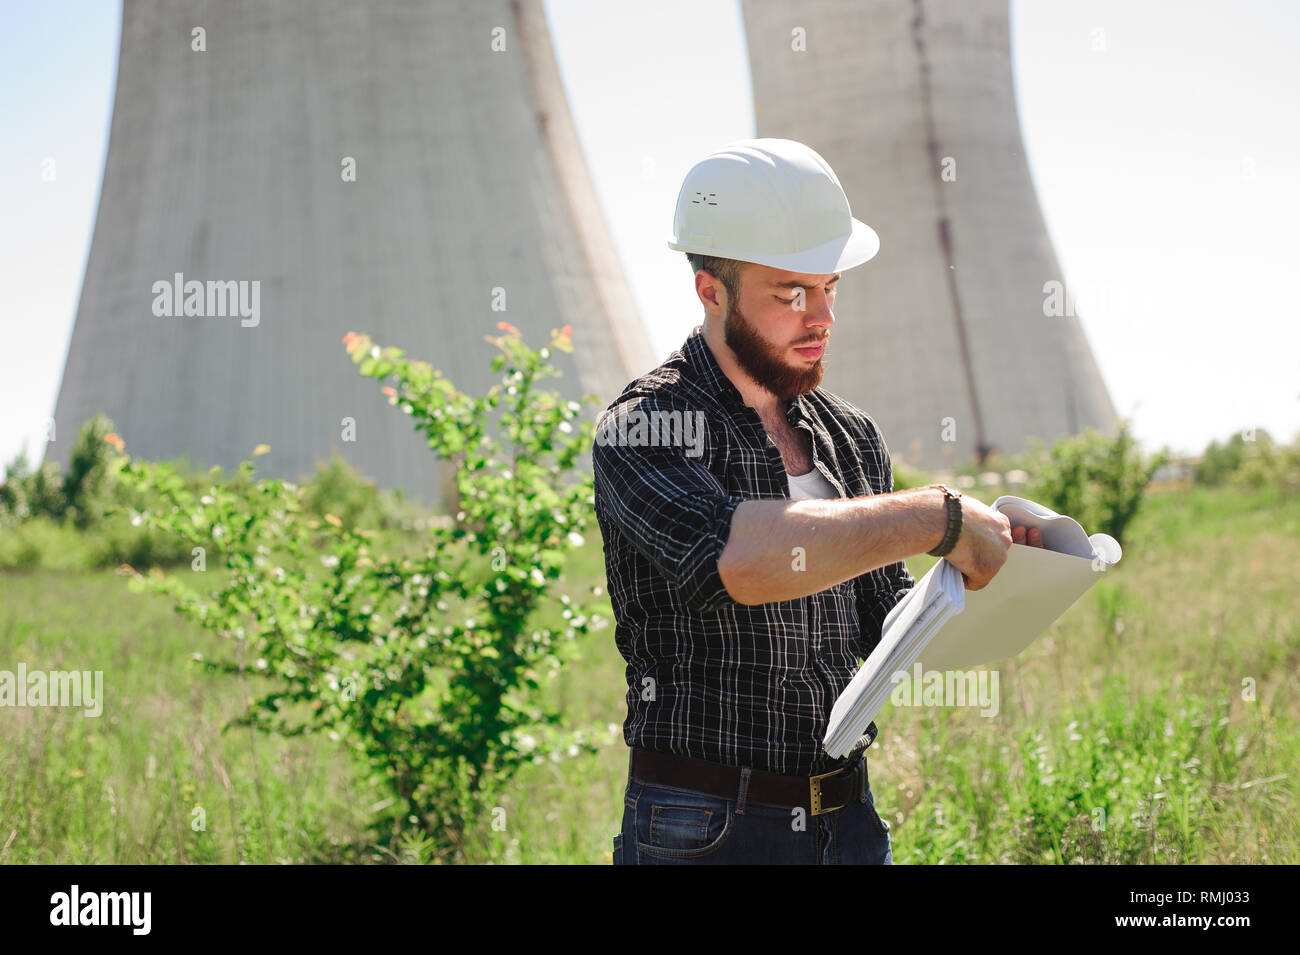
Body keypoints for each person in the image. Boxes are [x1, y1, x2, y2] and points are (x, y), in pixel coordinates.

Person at [591, 139, 1044, 865]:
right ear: (712, 291)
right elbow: (733, 558)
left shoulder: (850, 434)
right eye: (792, 292)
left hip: (846, 818)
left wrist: (997, 584)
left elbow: (883, 626)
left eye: (830, 285)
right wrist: (938, 516)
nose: (823, 314)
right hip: (704, 827)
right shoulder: (646, 425)